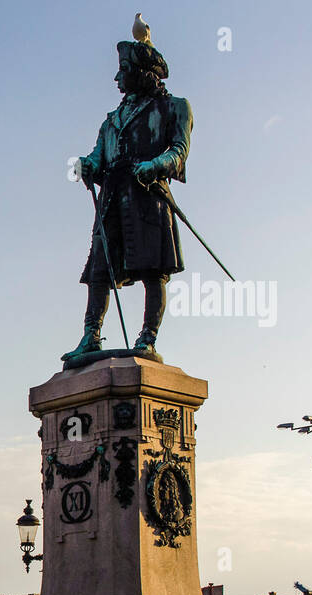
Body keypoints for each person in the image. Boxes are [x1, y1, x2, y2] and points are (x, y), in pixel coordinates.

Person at [63, 27, 192, 363]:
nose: (117, 78)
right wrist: (86, 165)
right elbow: (98, 156)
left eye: (123, 71)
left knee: (154, 270)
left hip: (147, 196)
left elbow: (179, 150)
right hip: (113, 198)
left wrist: (156, 164)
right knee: (99, 271)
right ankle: (91, 336)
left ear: (140, 75)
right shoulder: (111, 120)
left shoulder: (174, 108)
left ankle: (147, 338)